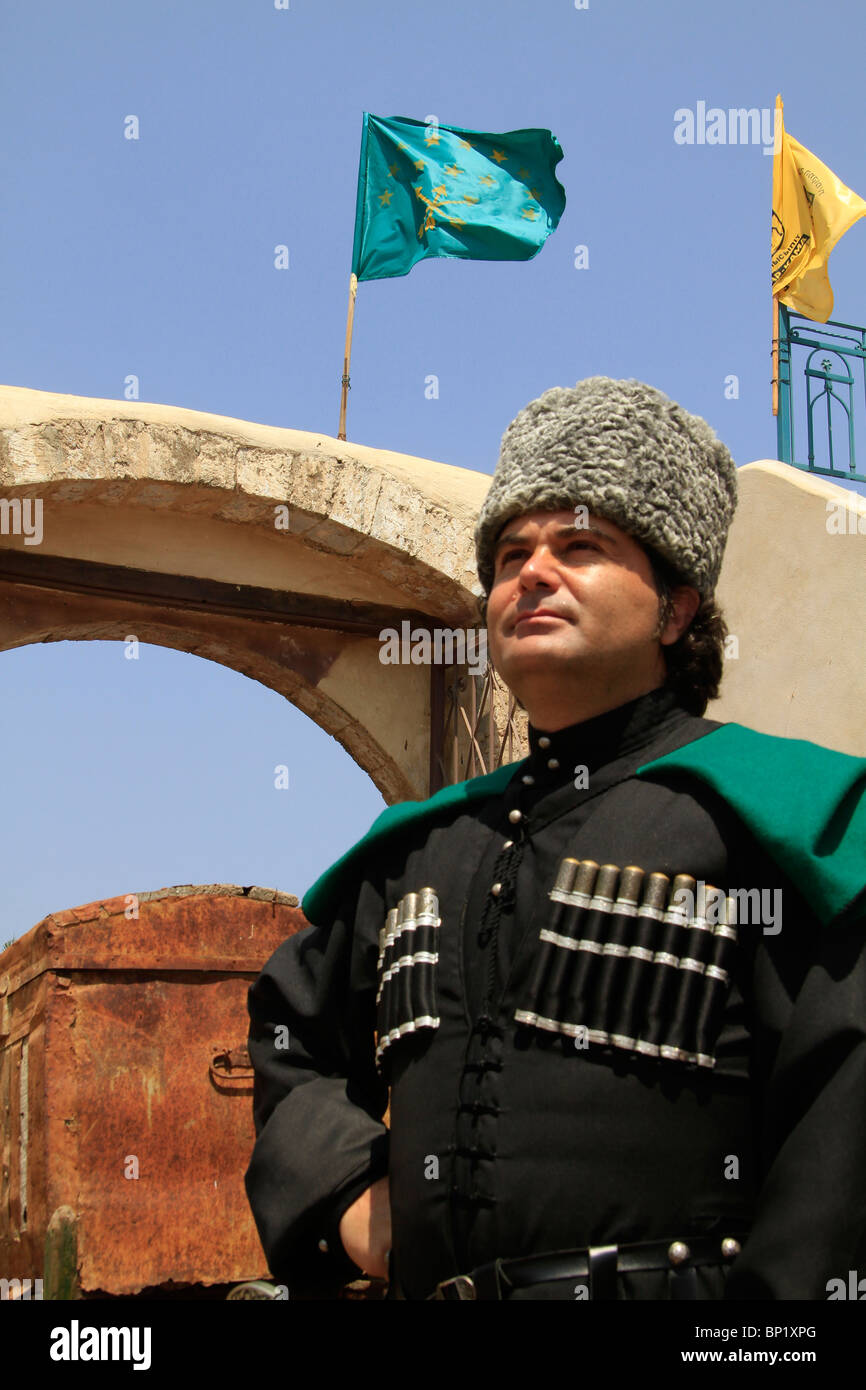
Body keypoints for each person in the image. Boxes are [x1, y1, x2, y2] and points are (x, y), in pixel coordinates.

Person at [244, 377, 866, 1300]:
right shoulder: (421, 849)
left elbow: (842, 1132)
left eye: (581, 546)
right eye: (508, 555)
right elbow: (289, 1033)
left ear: (677, 607)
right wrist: (345, 1190)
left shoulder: (776, 821)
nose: (530, 573)